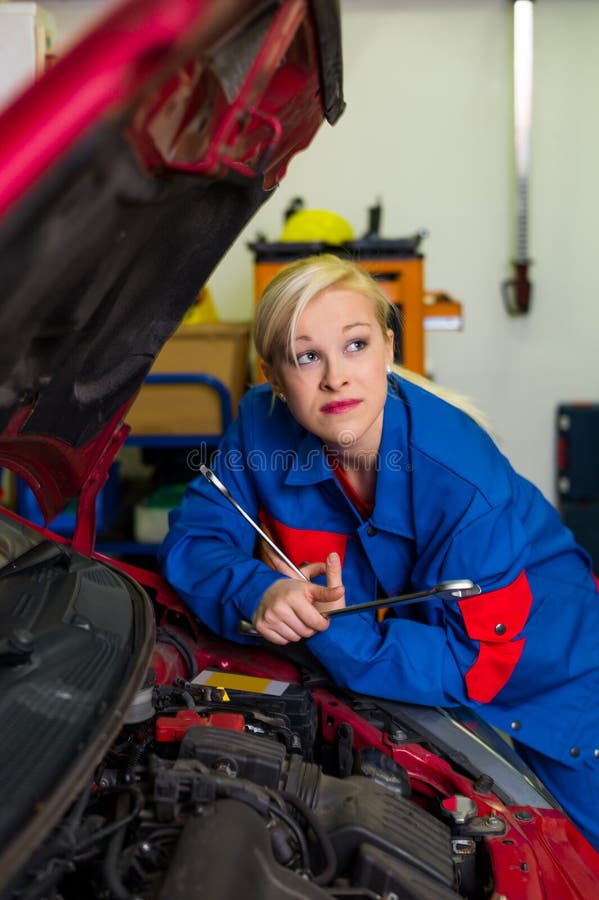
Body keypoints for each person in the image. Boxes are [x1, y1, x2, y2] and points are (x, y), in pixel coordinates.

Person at [159, 254, 599, 850]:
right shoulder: (258, 429)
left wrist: (322, 628)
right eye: (307, 356)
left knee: (571, 856)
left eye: (356, 345)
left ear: (389, 348)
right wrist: (258, 590)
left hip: (553, 670)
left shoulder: (462, 480)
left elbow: (475, 663)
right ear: (272, 376)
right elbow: (197, 538)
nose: (335, 377)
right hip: (415, 677)